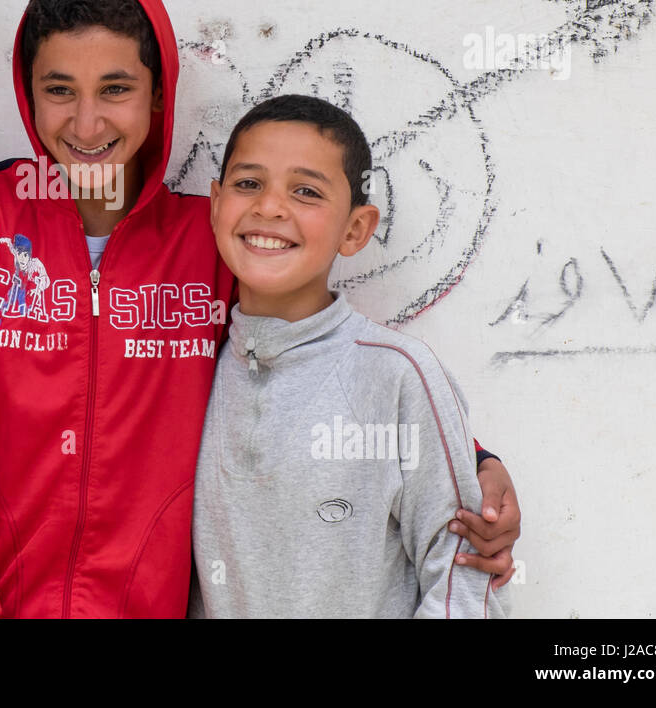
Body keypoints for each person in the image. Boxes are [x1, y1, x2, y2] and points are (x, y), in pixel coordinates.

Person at [0, 0, 519, 618]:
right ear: (28, 96)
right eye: (60, 90)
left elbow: (293, 350)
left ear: (159, 96)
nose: (87, 124)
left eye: (115, 89)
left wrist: (471, 459)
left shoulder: (210, 239)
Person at [190, 94, 508, 617]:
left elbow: (463, 568)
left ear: (355, 229)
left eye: (306, 191)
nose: (269, 207)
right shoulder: (187, 371)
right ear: (215, 204)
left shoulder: (396, 374)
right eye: (249, 184)